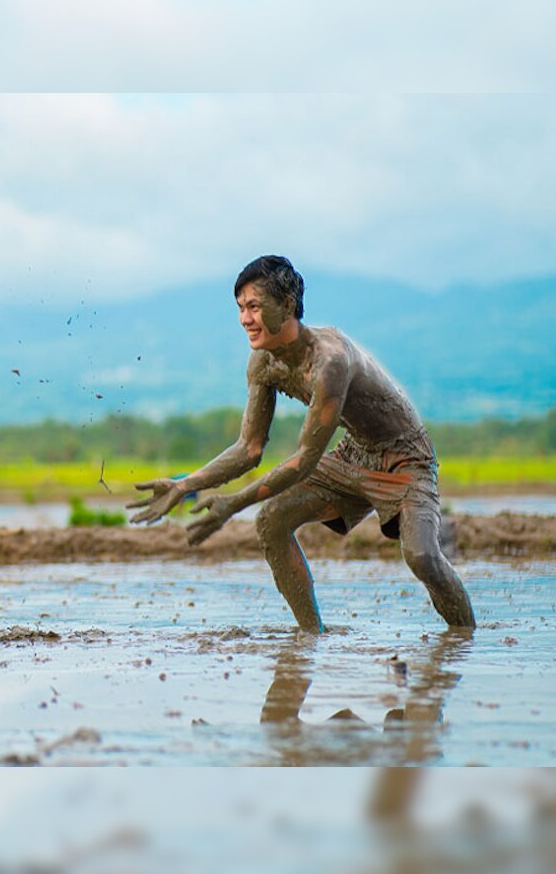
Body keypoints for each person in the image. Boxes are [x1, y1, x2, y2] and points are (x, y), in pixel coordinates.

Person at [127, 255, 474, 632]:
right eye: (241, 308)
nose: (245, 319)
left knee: (422, 557)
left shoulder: (330, 361)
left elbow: (306, 458)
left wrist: (234, 503)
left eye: (254, 306)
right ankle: (311, 637)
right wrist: (185, 484)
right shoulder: (262, 363)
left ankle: (465, 642)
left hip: (406, 459)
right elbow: (249, 448)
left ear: (288, 305)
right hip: (352, 454)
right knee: (272, 520)